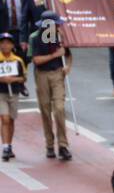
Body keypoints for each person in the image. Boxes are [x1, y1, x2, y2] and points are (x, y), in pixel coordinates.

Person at [31, 10, 72, 161]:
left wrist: (68, 66)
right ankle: (49, 144)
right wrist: (55, 55)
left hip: (57, 74)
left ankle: (63, 145)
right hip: (42, 75)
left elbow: (68, 55)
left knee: (59, 109)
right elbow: (36, 60)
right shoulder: (35, 38)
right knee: (45, 109)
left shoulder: (61, 37)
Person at [0, 30, 26, 161]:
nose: (5, 46)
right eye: (2, 43)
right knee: (4, 118)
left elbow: (23, 78)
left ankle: (9, 145)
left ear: (12, 45)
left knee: (11, 119)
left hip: (13, 93)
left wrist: (13, 80)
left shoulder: (17, 61)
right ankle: (4, 147)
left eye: (8, 43)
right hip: (1, 93)